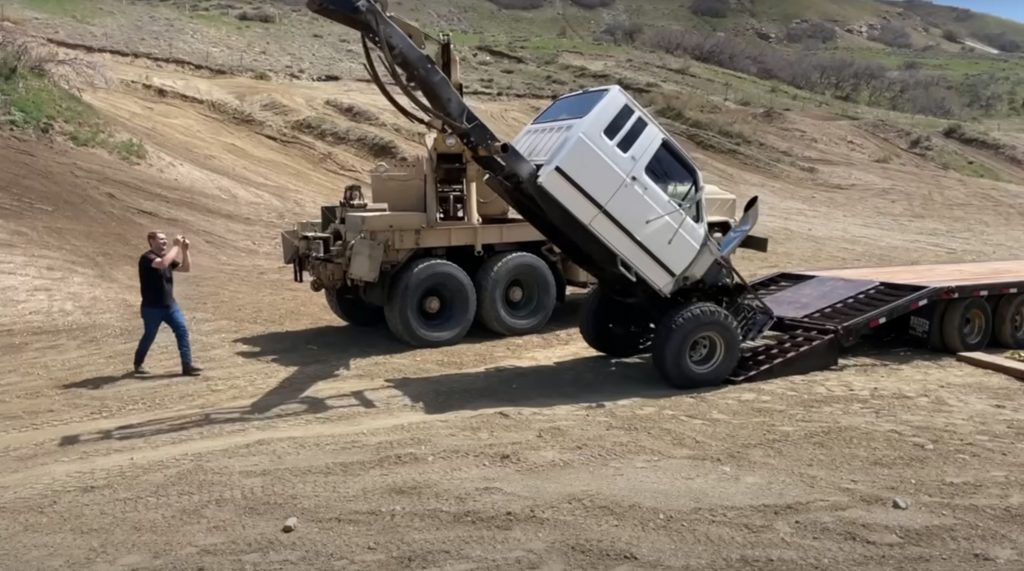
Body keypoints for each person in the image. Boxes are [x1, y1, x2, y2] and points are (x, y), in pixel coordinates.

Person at [133, 231, 202, 377]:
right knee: (149, 336)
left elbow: (186, 268)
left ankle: (187, 366)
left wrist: (184, 250)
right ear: (151, 241)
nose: (165, 242)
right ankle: (138, 363)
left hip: (170, 306)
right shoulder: (147, 257)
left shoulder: (167, 257)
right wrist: (176, 246)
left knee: (182, 330)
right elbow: (163, 264)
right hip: (151, 308)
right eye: (161, 239)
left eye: (165, 239)